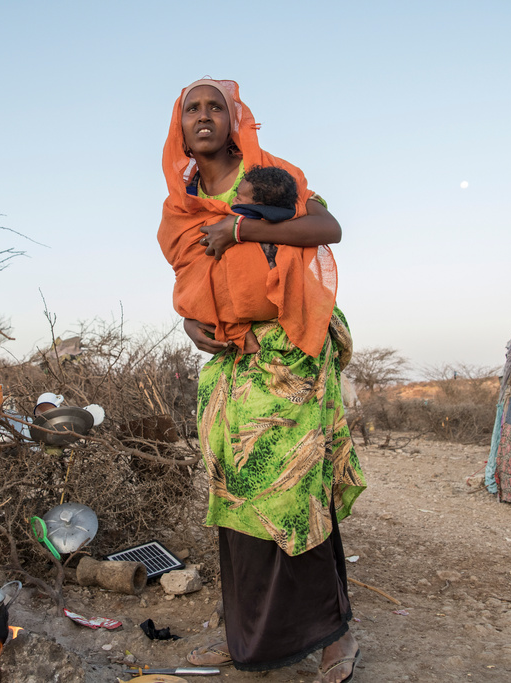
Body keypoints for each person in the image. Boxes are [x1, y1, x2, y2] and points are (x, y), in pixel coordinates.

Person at [157, 78, 366, 683]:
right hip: (230, 366)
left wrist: (244, 230)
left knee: (296, 496)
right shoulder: (181, 204)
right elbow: (193, 278)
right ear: (180, 127)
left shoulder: (272, 176)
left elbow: (326, 228)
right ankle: (244, 637)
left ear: (233, 119)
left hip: (291, 357)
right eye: (191, 109)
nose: (203, 116)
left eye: (214, 107)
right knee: (238, 505)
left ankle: (334, 636)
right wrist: (195, 324)